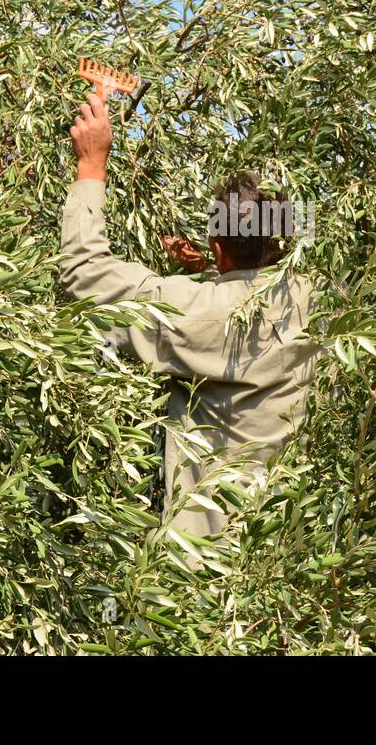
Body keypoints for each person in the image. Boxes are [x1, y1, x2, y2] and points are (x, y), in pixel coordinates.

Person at [58, 91, 319, 541]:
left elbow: (83, 274)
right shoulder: (320, 298)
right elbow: (248, 296)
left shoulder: (201, 313)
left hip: (204, 560)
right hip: (289, 552)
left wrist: (91, 166)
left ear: (219, 246)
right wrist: (212, 271)